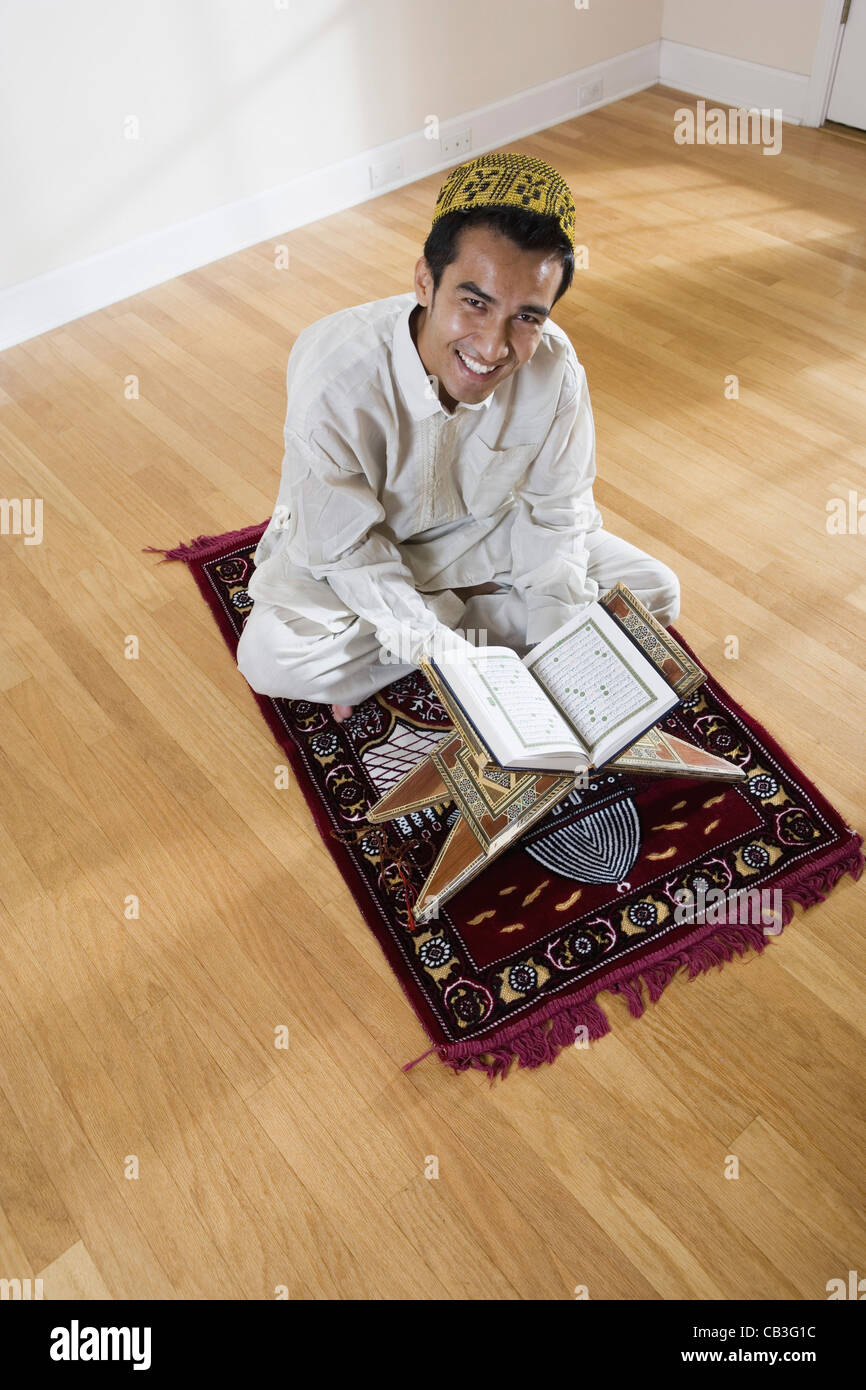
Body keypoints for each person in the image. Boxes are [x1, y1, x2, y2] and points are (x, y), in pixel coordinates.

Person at [237, 151, 680, 723]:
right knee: (272, 658)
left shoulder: (556, 368)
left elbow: (556, 513)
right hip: (365, 548)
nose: (493, 347)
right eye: (475, 302)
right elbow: (345, 549)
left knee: (655, 592)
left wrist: (559, 651)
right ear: (426, 280)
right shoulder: (334, 372)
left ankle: (415, 644)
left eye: (526, 316)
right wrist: (448, 653)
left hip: (489, 537)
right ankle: (467, 623)